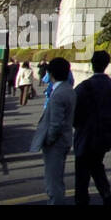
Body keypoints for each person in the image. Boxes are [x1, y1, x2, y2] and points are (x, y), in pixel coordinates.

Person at [73, 51, 111, 206]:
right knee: (96, 164)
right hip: (105, 134)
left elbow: (75, 111)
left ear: (91, 64)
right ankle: (106, 194)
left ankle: (82, 200)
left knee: (82, 170)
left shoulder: (84, 87)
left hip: (86, 133)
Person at [30, 58, 75, 205]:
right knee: (57, 178)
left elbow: (55, 123)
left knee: (53, 181)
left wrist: (48, 140)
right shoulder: (69, 90)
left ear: (51, 73)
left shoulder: (58, 94)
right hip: (65, 139)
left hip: (56, 143)